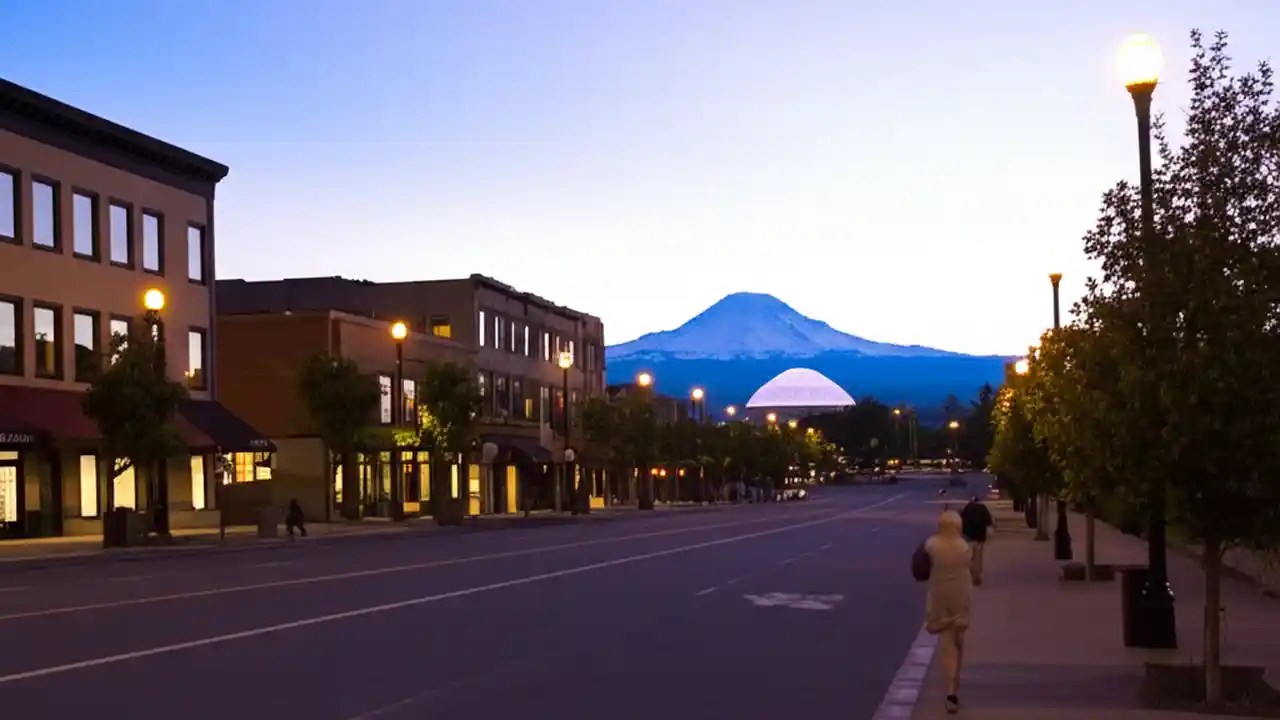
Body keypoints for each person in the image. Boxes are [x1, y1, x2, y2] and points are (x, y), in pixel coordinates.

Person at [924, 509, 975, 714]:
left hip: (940, 596)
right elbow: (971, 566)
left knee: (947, 642)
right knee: (957, 638)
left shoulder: (931, 545)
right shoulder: (963, 546)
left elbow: (922, 567)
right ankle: (955, 684)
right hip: (961, 596)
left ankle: (951, 687)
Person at [961, 496, 995, 585]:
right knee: (978, 558)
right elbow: (988, 521)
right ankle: (977, 575)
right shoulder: (982, 508)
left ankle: (971, 573)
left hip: (968, 537)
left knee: (969, 557)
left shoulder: (967, 508)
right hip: (980, 537)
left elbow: (962, 521)